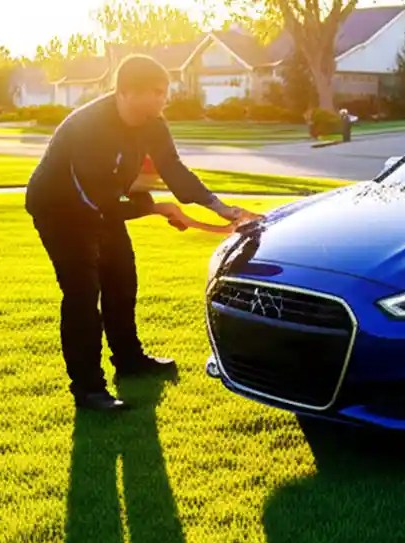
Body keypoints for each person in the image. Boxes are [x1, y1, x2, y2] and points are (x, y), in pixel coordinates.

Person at [26, 54, 258, 412]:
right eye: (155, 92)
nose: (163, 99)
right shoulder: (90, 128)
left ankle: (130, 360)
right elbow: (94, 198)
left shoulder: (152, 122)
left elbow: (173, 168)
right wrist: (153, 206)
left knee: (122, 279)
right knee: (83, 294)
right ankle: (88, 389)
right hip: (60, 209)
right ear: (126, 92)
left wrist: (218, 207)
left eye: (164, 91)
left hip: (98, 203)